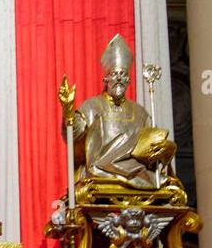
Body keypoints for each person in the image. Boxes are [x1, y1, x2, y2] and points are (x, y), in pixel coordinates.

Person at [61, 34, 175, 189]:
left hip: (139, 174)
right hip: (101, 172)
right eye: (114, 74)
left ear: (128, 80)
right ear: (106, 79)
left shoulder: (140, 113)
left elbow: (151, 147)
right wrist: (68, 111)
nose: (119, 79)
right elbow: (73, 135)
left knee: (166, 183)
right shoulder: (92, 106)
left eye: (123, 74)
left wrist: (165, 149)